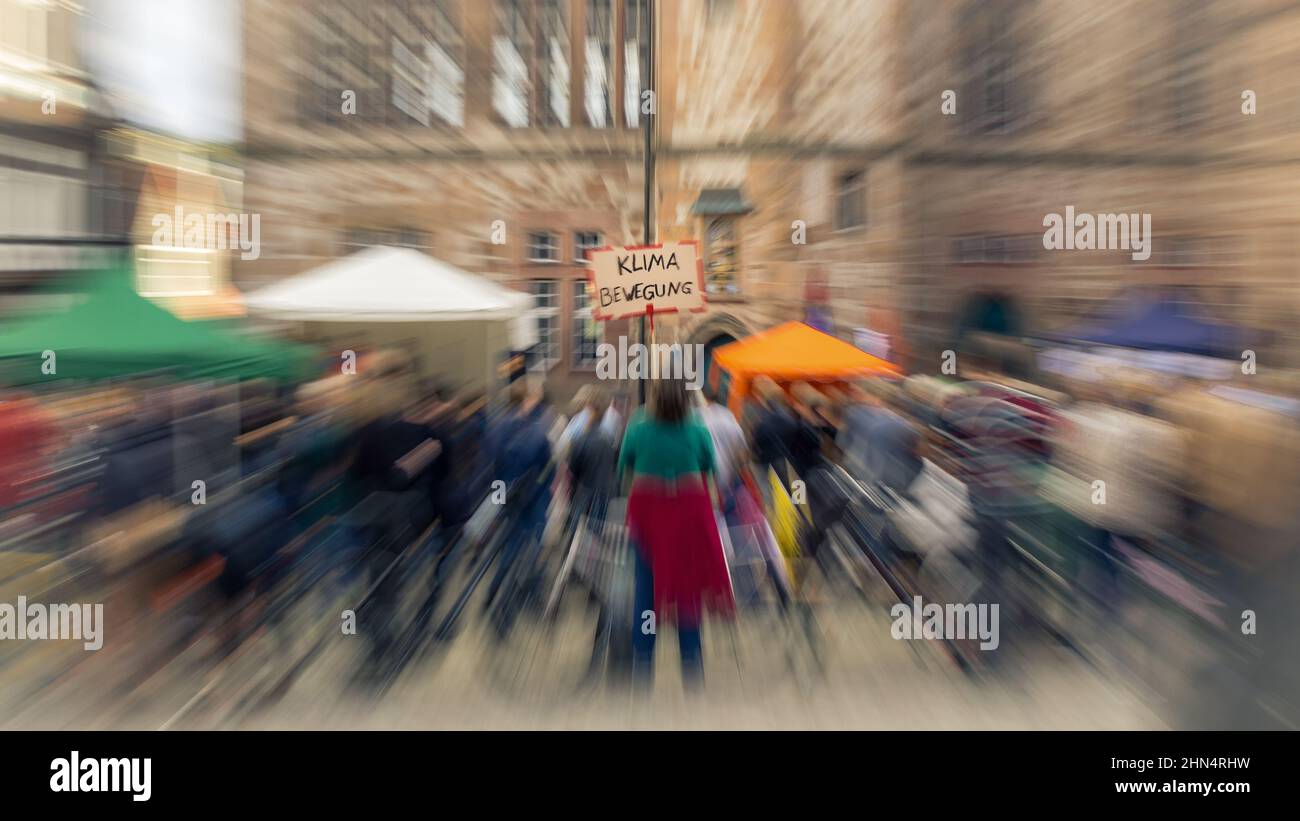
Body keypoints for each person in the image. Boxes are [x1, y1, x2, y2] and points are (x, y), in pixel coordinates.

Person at [619, 376, 733, 688]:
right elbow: (710, 466)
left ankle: (643, 664)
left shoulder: (639, 424)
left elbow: (623, 466)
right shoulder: (697, 426)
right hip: (688, 511)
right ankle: (691, 663)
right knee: (688, 589)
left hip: (647, 511)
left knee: (645, 589)